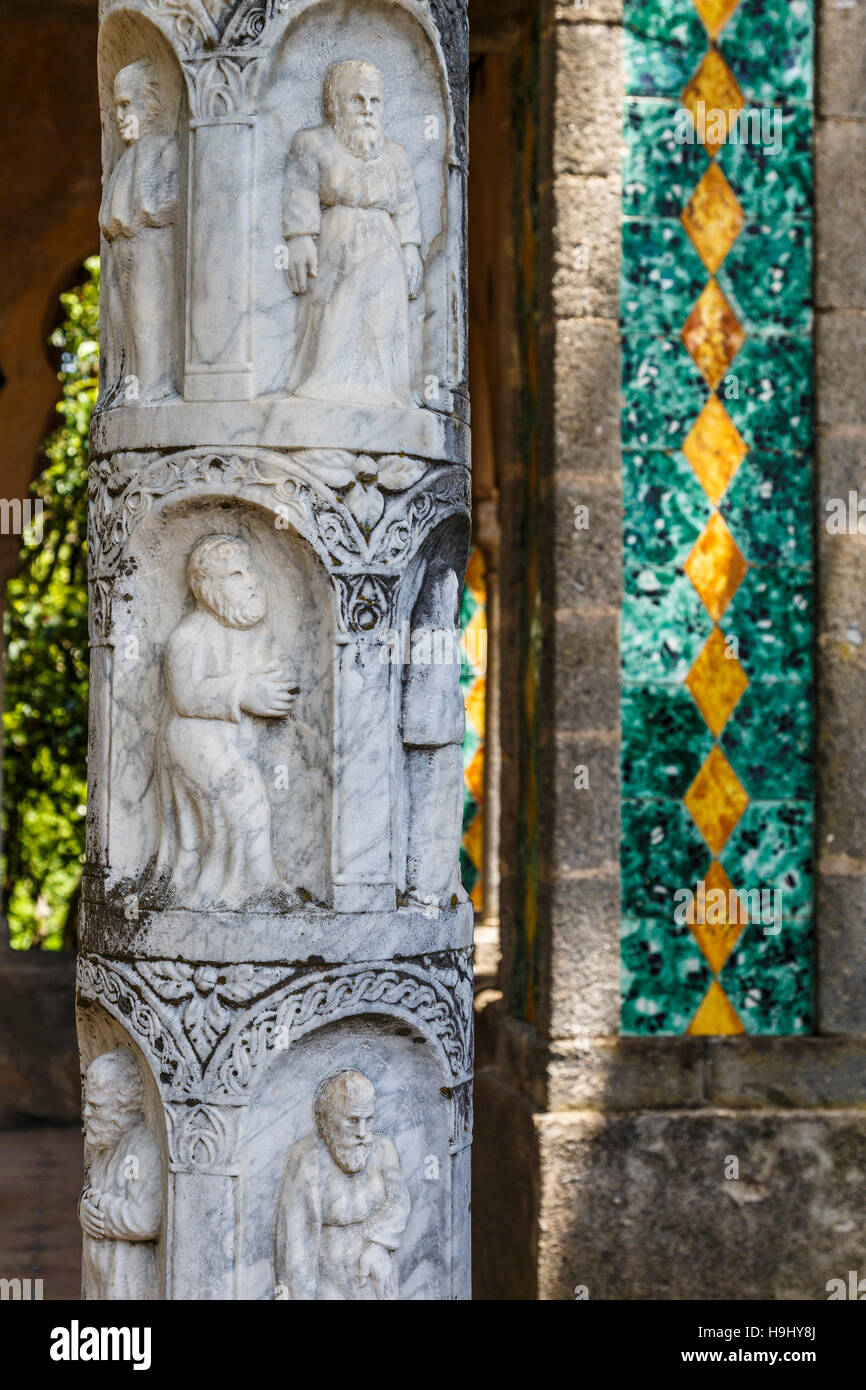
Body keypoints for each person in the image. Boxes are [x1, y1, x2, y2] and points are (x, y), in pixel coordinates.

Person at [154, 534, 298, 908]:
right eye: (236, 574)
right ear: (207, 588)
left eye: (248, 570)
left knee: (251, 806)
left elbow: (277, 671)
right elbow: (185, 697)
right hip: (194, 739)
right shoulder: (189, 636)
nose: (250, 580)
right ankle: (231, 892)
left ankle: (254, 885)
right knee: (243, 801)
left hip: (232, 741)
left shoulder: (254, 633)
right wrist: (243, 692)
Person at [283, 60, 423, 408]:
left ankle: (382, 390)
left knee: (382, 319)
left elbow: (406, 205)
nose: (367, 110)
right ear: (335, 104)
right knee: (336, 315)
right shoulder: (312, 143)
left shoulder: (395, 155)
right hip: (337, 242)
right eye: (356, 100)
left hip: (384, 248)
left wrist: (410, 247)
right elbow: (300, 191)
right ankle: (326, 385)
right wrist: (300, 238)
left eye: (375, 102)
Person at [275, 1070, 410, 1300]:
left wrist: (377, 1244)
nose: (363, 1133)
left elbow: (399, 1201)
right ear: (329, 1120)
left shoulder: (383, 1149)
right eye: (353, 1121)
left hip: (375, 1284)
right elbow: (298, 1245)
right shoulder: (308, 1161)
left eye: (369, 1120)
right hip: (328, 1288)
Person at [99, 60, 178, 402]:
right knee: (121, 328)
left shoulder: (164, 147)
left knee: (147, 320)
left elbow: (171, 201)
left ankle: (153, 386)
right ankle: (128, 387)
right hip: (121, 252)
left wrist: (143, 214)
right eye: (116, 106)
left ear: (148, 105)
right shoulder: (124, 161)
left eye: (126, 105)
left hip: (150, 249)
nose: (119, 115)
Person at [79, 1048, 161, 1300]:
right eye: (86, 1102)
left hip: (126, 1280)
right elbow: (90, 1186)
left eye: (96, 1106)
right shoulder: (104, 1143)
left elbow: (145, 1219)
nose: (87, 1113)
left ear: (122, 1107)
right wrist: (84, 1207)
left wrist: (100, 1206)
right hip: (101, 1275)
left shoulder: (142, 1149)